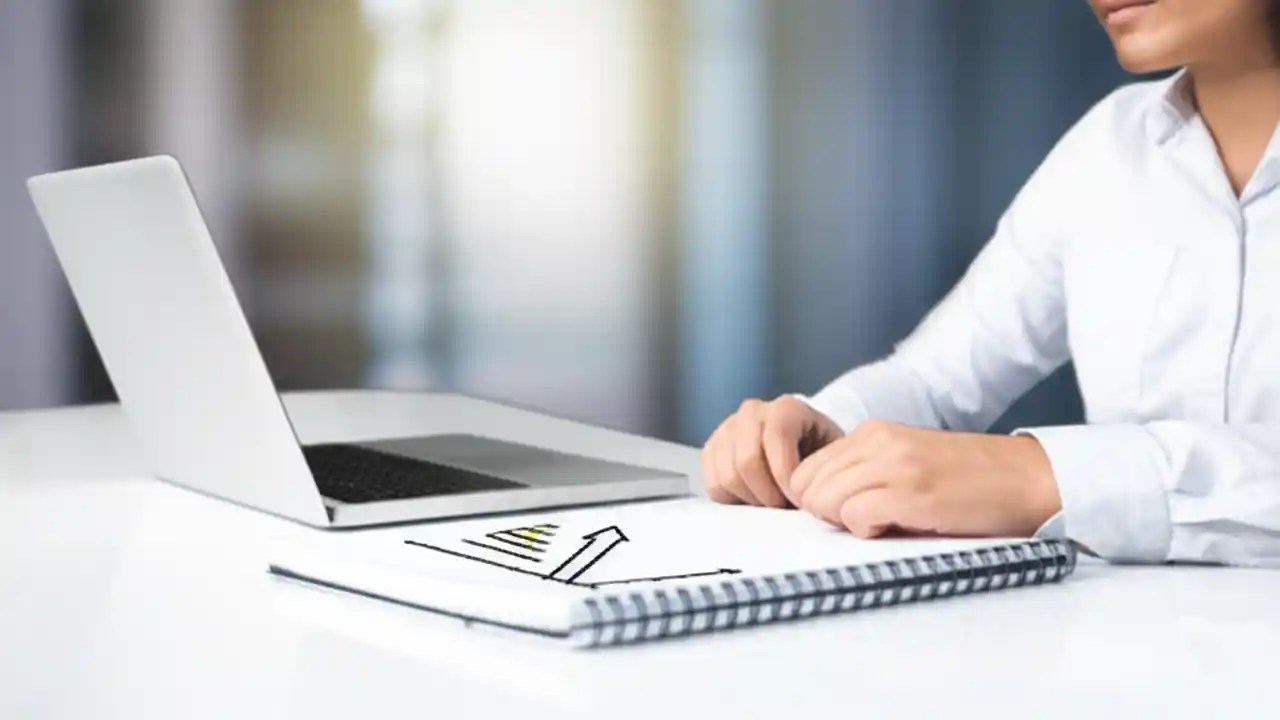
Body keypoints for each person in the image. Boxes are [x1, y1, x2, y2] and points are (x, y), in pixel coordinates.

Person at [701, 0, 1280, 566]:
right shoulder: (1110, 146)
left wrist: (1043, 478)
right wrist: (825, 429)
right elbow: (938, 382)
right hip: (1126, 645)